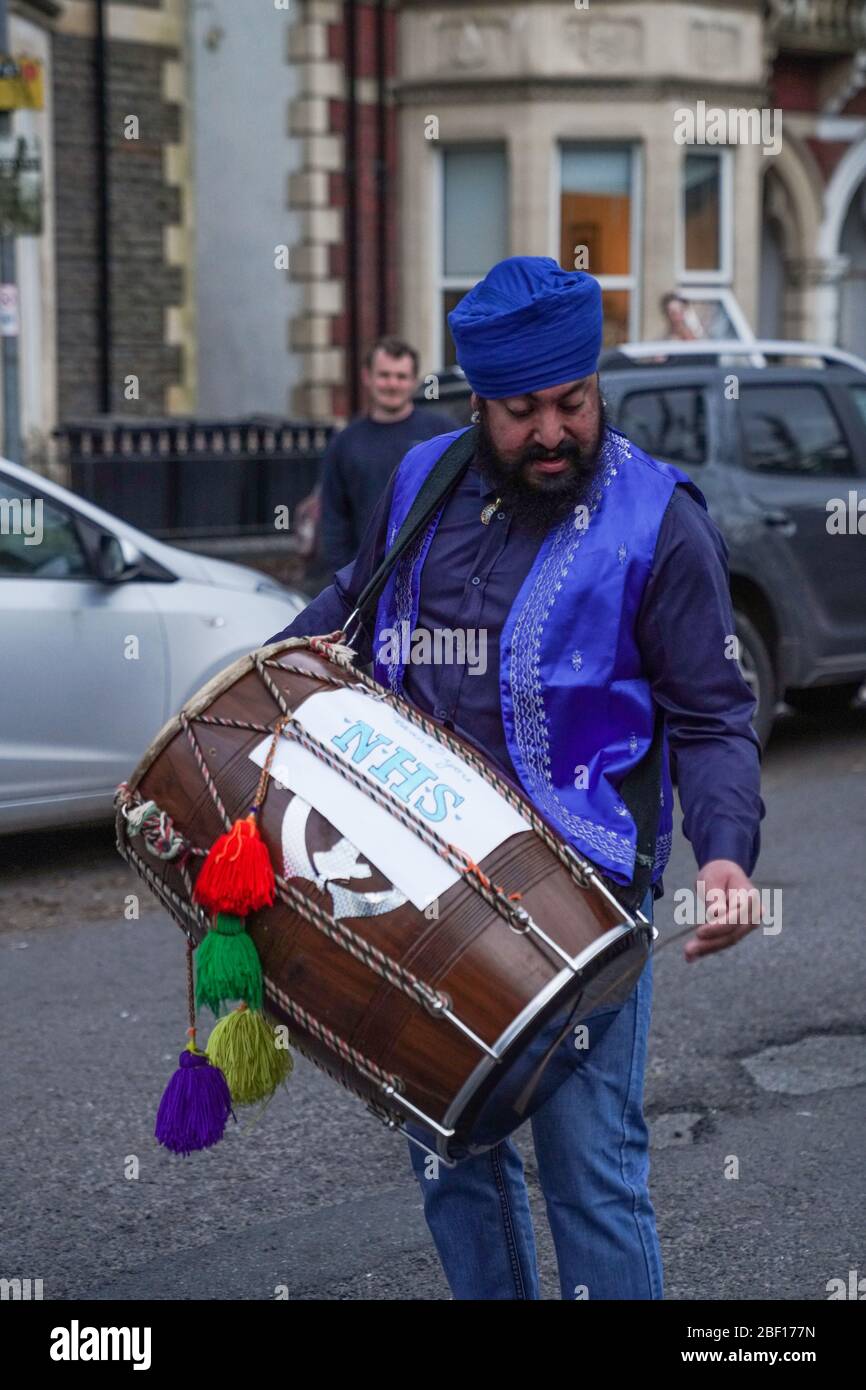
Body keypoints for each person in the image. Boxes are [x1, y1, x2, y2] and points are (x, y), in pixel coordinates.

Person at [264, 257, 765, 1300]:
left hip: (577, 901)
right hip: (412, 881)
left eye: (569, 403)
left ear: (594, 388)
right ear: (476, 402)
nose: (550, 432)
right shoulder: (423, 478)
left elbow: (712, 713)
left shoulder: (657, 521)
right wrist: (249, 694)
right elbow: (346, 608)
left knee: (589, 1178)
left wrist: (722, 855)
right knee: (450, 1160)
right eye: (520, 410)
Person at [318, 335, 454, 574]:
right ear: (367, 377)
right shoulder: (345, 442)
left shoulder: (442, 433)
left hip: (432, 573)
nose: (392, 384)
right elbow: (334, 518)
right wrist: (346, 576)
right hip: (368, 578)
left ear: (414, 381)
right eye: (384, 375)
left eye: (401, 376)